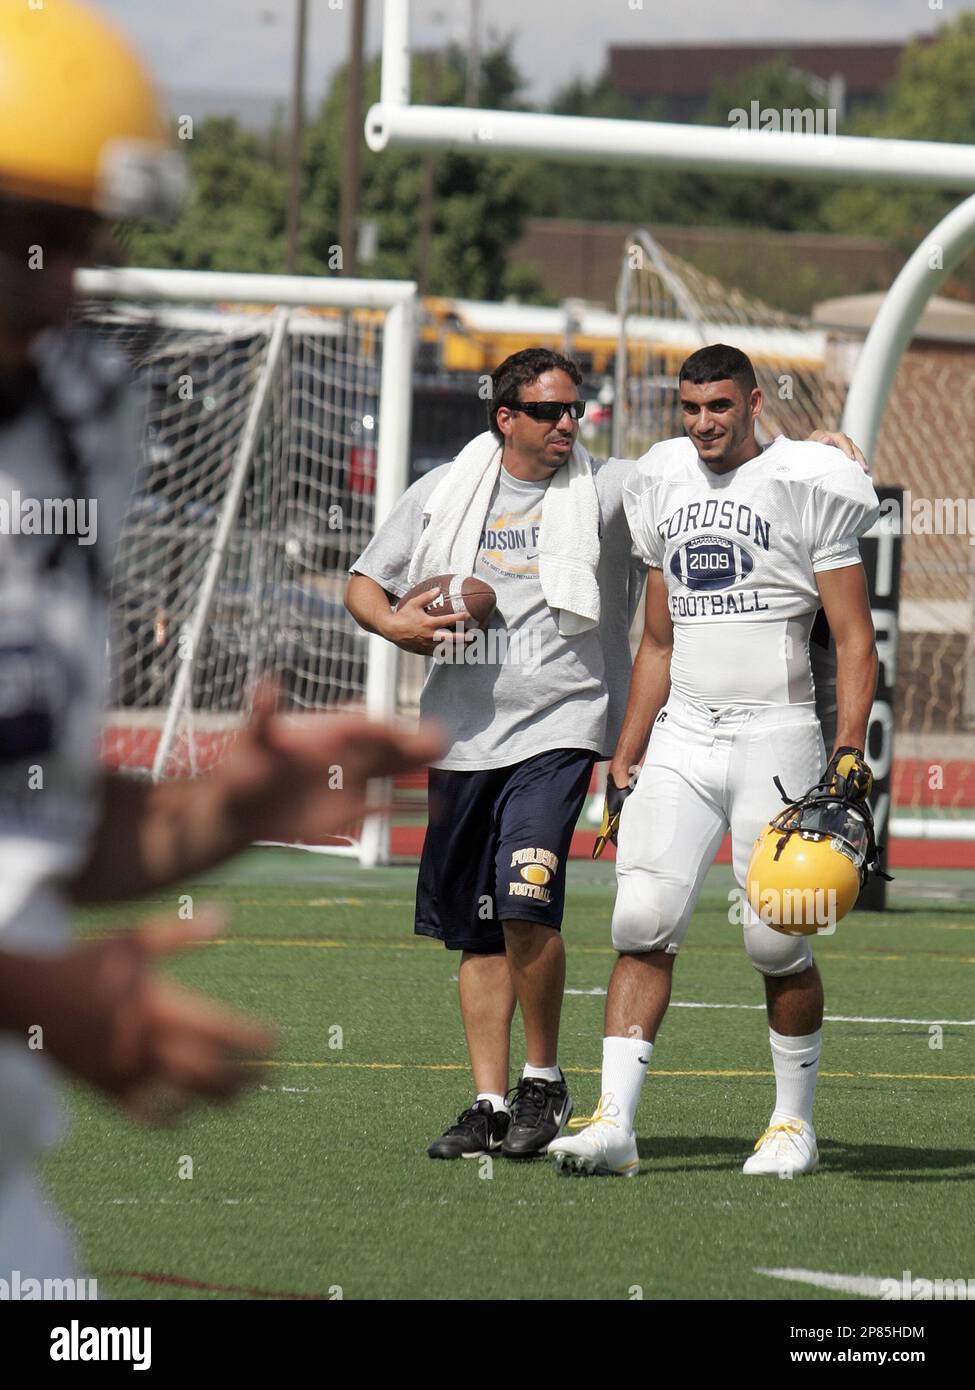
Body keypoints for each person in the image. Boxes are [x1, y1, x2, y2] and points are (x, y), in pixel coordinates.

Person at [0, 0, 443, 1284]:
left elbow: (35, 840)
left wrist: (230, 807)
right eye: (27, 242)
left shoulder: (67, 431)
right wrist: (47, 1001)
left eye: (81, 247)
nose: (65, 292)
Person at [346, 344, 865, 1163]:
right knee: (595, 924)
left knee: (759, 932)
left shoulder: (621, 485)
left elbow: (838, 616)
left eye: (573, 409)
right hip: (488, 734)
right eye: (548, 411)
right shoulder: (455, 488)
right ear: (503, 417)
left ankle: (750, 1115)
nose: (567, 423)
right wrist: (397, 624)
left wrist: (819, 444)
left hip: (596, 729)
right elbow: (366, 586)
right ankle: (572, 1116)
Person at [548, 343, 880, 1179]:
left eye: (719, 408)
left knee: (775, 940)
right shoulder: (661, 479)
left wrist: (846, 751)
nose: (702, 424)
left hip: (777, 738)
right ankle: (614, 1121)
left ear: (754, 402)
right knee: (639, 924)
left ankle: (791, 1126)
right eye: (690, 409)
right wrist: (626, 753)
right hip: (683, 738)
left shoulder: (810, 481)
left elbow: (851, 636)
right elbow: (655, 640)